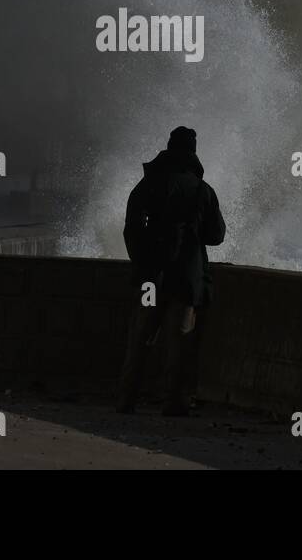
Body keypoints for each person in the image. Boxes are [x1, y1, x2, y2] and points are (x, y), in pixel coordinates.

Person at [116, 126, 225, 415]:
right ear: (192, 152)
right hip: (186, 278)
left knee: (140, 339)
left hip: (152, 276)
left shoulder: (149, 184)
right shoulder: (203, 190)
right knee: (180, 344)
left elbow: (132, 228)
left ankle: (126, 399)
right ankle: (174, 403)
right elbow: (216, 236)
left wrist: (140, 262)